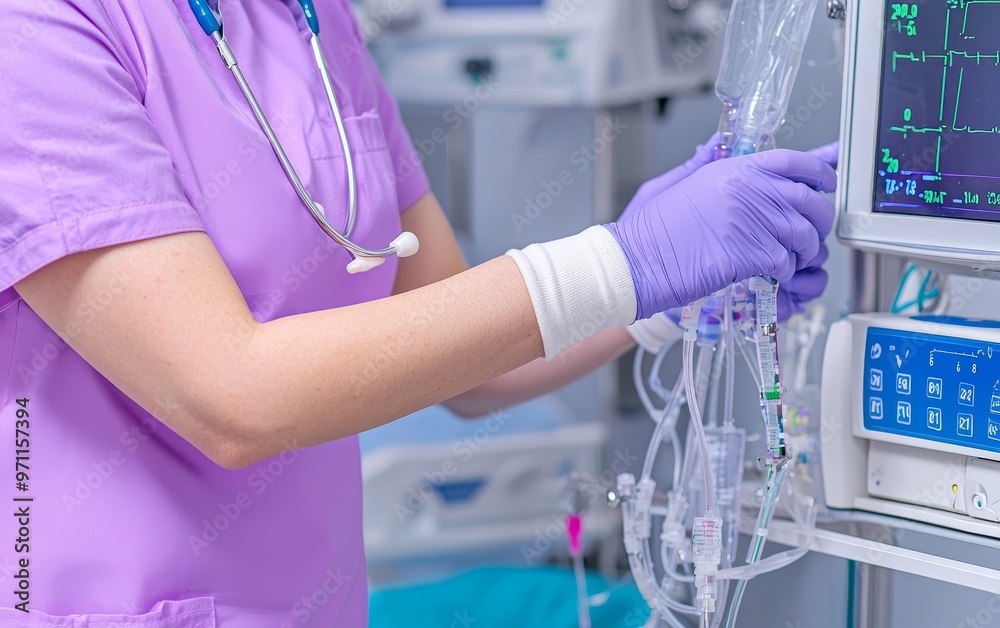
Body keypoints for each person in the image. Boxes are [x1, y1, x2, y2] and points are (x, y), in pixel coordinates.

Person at [0, 0, 836, 625]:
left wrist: (660, 300)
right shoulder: (39, 31)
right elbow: (231, 394)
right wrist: (628, 260)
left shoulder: (310, 21)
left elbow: (471, 351)